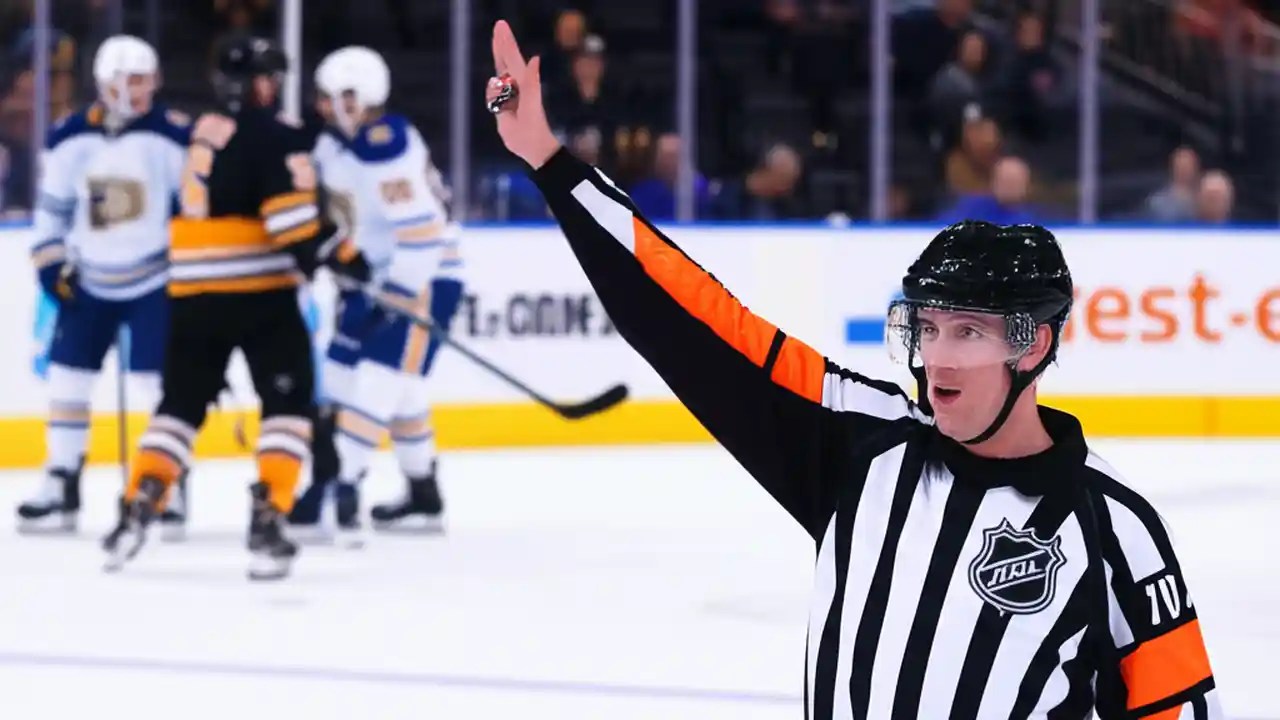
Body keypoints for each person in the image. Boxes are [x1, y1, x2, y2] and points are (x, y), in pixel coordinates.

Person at [485, 20, 1224, 718]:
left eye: (968, 331)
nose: (937, 356)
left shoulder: (1114, 531)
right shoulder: (860, 446)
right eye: (927, 327)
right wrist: (552, 163)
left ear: (1033, 347)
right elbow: (695, 322)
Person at [101, 34, 367, 580]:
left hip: (192, 295)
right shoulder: (276, 134)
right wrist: (344, 257)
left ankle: (141, 499)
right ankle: (269, 515)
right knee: (288, 406)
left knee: (179, 406)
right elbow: (290, 223)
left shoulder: (201, 129)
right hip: (258, 293)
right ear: (263, 83)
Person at [287, 46, 463, 543]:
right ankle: (423, 494)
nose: (324, 106)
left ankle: (339, 490)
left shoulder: (387, 147)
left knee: (378, 380)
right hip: (371, 280)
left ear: (359, 96)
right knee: (350, 378)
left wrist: (398, 294)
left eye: (334, 97)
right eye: (322, 97)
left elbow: (422, 235)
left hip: (423, 277)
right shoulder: (335, 146)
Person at [16, 35, 189, 534]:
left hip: (155, 281)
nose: (137, 90)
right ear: (104, 82)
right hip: (89, 281)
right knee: (67, 379)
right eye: (128, 80)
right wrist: (51, 267)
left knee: (157, 386)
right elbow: (52, 214)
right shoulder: (70, 137)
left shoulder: (174, 138)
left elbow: (191, 212)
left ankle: (165, 483)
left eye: (144, 79)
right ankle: (62, 481)